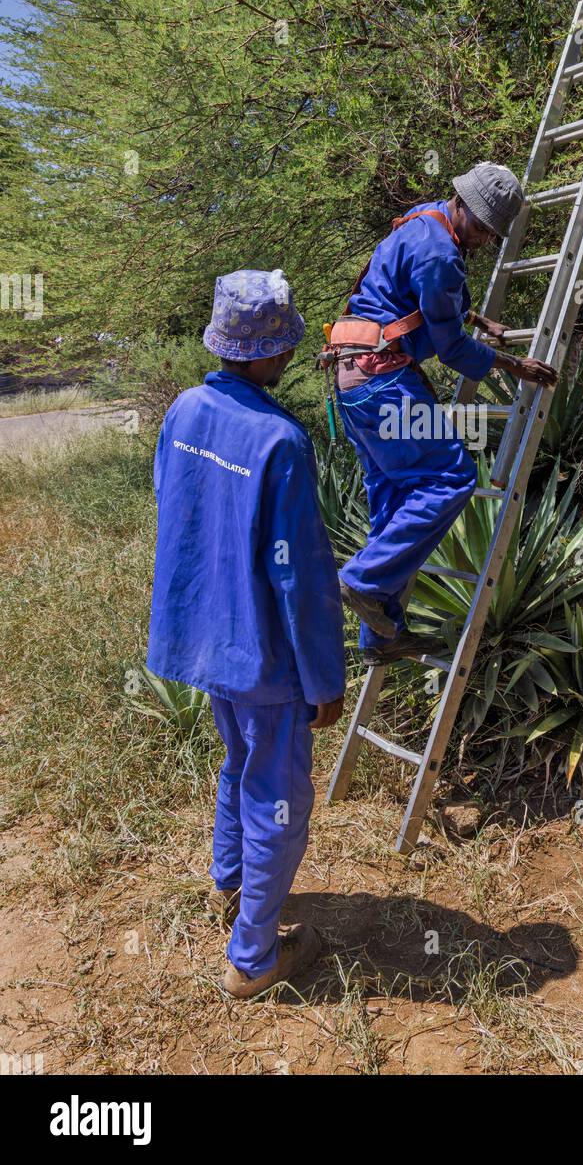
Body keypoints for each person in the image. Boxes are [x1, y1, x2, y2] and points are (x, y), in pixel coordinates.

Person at [147, 269, 345, 999]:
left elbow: (177, 508)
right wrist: (325, 681)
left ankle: (228, 887)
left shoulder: (184, 411)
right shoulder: (280, 441)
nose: (288, 360)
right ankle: (253, 960)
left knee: (240, 766)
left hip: (204, 639)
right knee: (278, 800)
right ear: (267, 354)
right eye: (284, 349)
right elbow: (299, 580)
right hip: (264, 657)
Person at [329, 162, 558, 664]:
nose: (481, 240)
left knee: (392, 500)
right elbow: (451, 348)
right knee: (452, 475)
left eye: (491, 235)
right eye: (480, 228)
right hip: (385, 381)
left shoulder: (422, 218)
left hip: (350, 379)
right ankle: (363, 580)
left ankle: (383, 636)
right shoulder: (442, 254)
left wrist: (477, 317)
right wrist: (513, 364)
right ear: (463, 205)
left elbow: (418, 298)